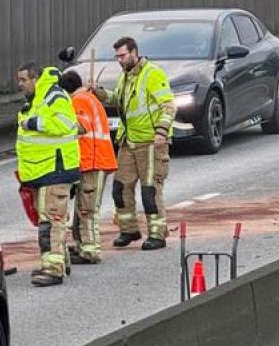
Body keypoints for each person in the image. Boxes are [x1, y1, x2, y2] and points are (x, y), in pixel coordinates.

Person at [97, 37, 176, 251]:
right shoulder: (126, 77)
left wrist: (161, 131)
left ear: (134, 52)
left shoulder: (152, 74)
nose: (120, 61)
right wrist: (101, 94)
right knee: (120, 189)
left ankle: (157, 234)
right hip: (128, 142)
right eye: (117, 57)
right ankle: (129, 229)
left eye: (122, 56)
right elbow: (118, 100)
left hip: (150, 143)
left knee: (150, 191)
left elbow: (168, 105)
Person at [15, 62, 81, 287]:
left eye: (23, 80)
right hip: (43, 170)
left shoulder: (54, 96)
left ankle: (54, 268)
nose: (20, 85)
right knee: (49, 220)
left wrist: (33, 123)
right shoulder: (36, 99)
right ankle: (56, 262)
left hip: (56, 169)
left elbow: (65, 123)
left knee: (52, 221)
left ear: (35, 78)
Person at [59, 69, 117, 265]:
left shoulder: (79, 101)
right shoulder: (89, 98)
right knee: (84, 206)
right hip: (95, 160)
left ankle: (90, 249)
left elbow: (81, 126)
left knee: (88, 209)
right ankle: (82, 244)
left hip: (93, 161)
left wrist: (59, 119)